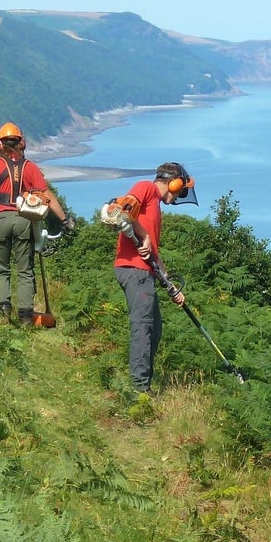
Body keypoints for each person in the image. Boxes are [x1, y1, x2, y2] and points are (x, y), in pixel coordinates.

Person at [112, 162, 198, 394]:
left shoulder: (154, 206)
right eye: (181, 190)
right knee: (144, 327)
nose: (180, 195)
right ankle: (140, 389)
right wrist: (144, 235)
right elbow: (123, 207)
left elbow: (154, 256)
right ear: (174, 183)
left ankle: (143, 382)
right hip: (134, 270)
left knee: (155, 328)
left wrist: (172, 286)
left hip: (145, 271)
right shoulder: (146, 188)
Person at [0, 122, 74, 325]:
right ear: (22, 142)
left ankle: (3, 312)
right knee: (25, 270)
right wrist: (64, 220)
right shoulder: (30, 168)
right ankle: (25, 317)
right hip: (23, 220)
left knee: (1, 268)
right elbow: (47, 195)